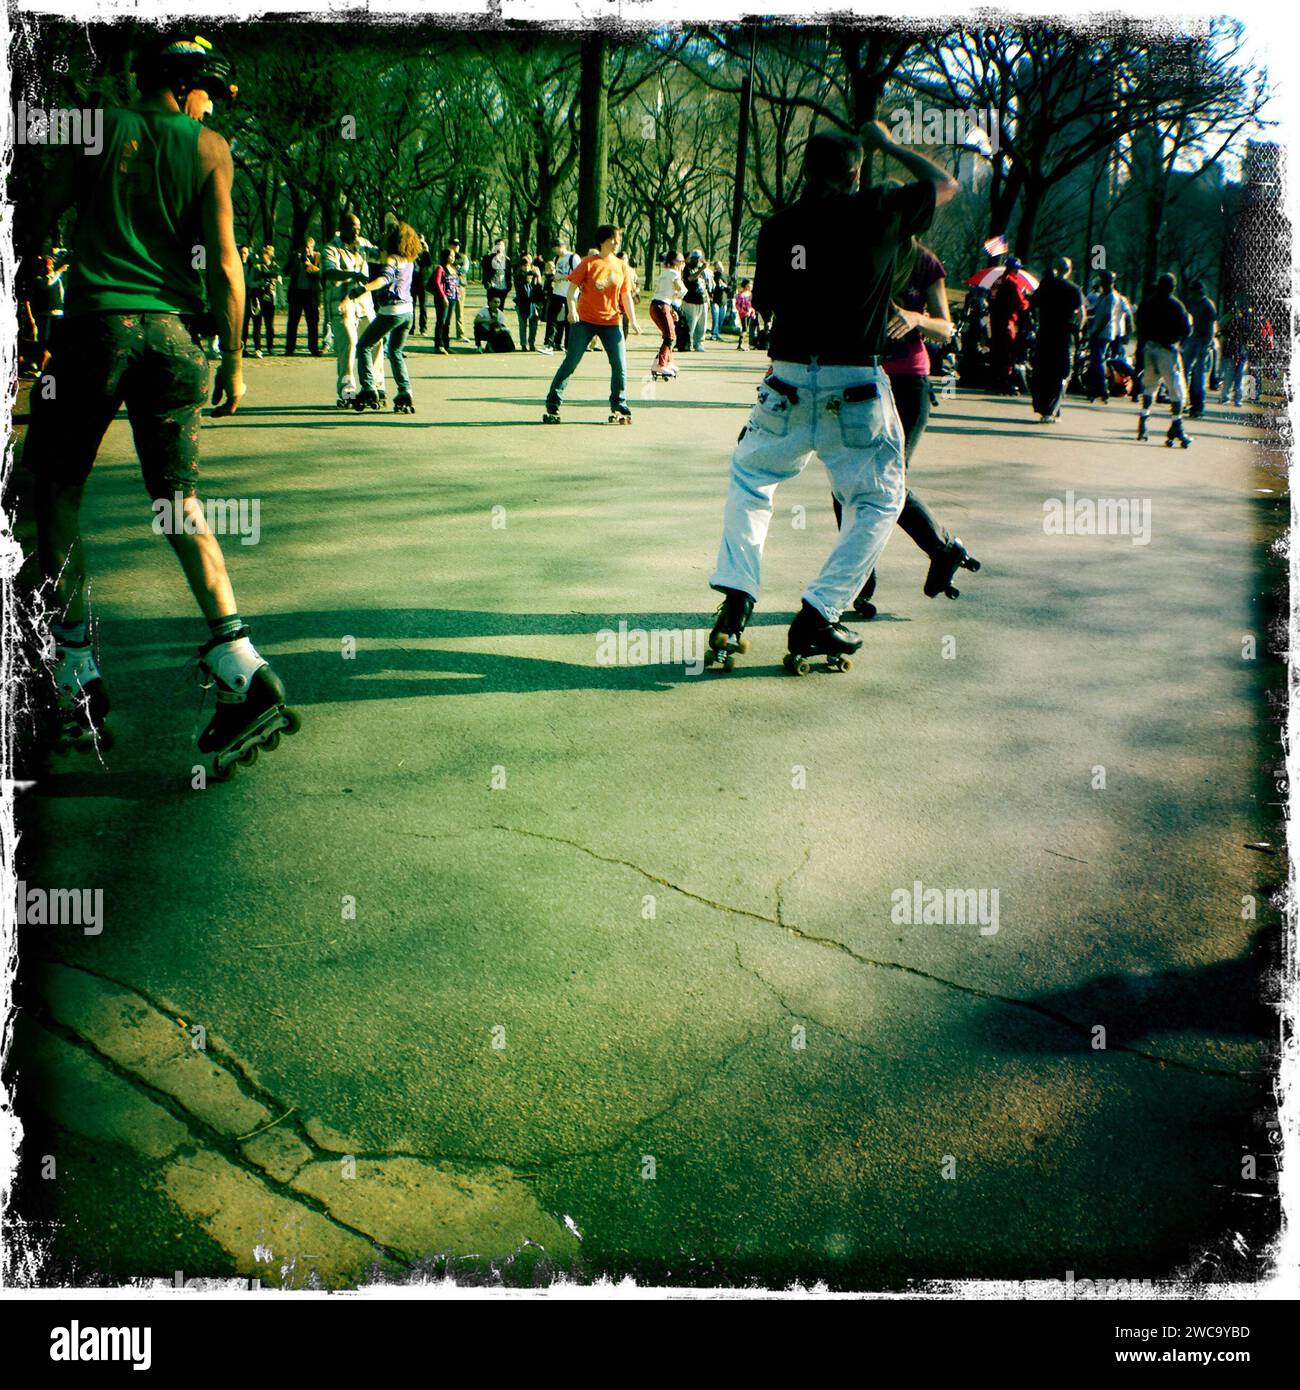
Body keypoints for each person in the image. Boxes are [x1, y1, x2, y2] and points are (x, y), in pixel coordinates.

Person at [24, 34, 298, 772]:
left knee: (53, 493)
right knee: (180, 505)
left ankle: (74, 674)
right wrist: (235, 362)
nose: (214, 105)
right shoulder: (211, 149)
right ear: (188, 87)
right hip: (173, 341)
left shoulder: (95, 127)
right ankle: (241, 664)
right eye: (211, 91)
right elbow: (227, 263)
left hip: (94, 333)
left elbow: (30, 222)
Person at [704, 122, 958, 673]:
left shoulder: (779, 227)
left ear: (804, 170)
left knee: (752, 481)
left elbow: (767, 302)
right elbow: (944, 185)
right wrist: (889, 144)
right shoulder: (882, 208)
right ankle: (821, 610)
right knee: (879, 500)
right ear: (855, 172)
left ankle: (738, 598)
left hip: (787, 380)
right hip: (856, 382)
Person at [829, 236, 977, 619]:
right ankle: (861, 579)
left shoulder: (925, 264)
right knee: (845, 481)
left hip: (908, 383)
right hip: (859, 377)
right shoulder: (861, 254)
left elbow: (945, 329)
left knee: (891, 482)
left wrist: (916, 318)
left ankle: (939, 551)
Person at [541, 224, 641, 423]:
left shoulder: (622, 266)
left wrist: (634, 321)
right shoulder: (588, 263)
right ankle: (553, 402)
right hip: (585, 321)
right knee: (571, 362)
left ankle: (619, 403)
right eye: (614, 238)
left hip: (612, 322)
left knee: (620, 365)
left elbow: (626, 296)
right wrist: (572, 310)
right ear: (604, 240)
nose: (617, 242)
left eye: (618, 238)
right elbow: (571, 291)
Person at [351, 220, 419, 412]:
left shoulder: (392, 259)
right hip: (408, 312)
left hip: (391, 311)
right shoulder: (409, 260)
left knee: (363, 345)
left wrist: (364, 288)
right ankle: (405, 390)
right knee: (396, 352)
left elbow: (385, 278)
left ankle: (368, 388)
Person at [322, 211, 385, 404]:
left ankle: (376, 386)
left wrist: (391, 240)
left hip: (364, 305)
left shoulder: (363, 244)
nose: (357, 232)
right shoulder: (331, 248)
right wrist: (353, 275)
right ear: (343, 229)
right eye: (353, 229)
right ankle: (347, 391)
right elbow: (329, 273)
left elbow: (381, 256)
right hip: (342, 305)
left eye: (359, 229)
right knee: (349, 344)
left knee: (377, 341)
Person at [1135, 272, 1192, 445]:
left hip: (1150, 347)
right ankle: (1176, 425)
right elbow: (1187, 329)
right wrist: (1179, 341)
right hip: (1167, 350)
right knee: (1176, 390)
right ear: (1172, 288)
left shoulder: (1148, 302)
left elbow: (1139, 323)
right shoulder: (1176, 305)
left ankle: (1143, 423)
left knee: (1150, 387)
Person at [1028, 255, 1085, 423]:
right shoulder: (1073, 289)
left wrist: (1037, 322)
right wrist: (1079, 330)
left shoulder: (1045, 285)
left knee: (1042, 371)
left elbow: (1033, 304)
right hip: (1062, 335)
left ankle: (1044, 406)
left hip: (1045, 332)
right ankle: (1052, 410)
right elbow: (1081, 312)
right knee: (1060, 372)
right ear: (1069, 270)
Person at [987, 257, 1031, 393]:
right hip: (1007, 320)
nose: (1018, 271)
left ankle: (993, 381)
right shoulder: (1012, 283)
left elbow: (990, 298)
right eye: (1017, 269)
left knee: (996, 350)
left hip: (994, 320)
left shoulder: (998, 280)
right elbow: (1021, 303)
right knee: (1006, 352)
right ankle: (1004, 382)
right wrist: (1027, 300)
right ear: (1013, 269)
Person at [1084, 270, 1126, 402]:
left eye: (1103, 281)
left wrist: (1097, 331)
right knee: (1095, 360)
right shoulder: (1102, 296)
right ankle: (1096, 388)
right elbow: (1094, 310)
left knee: (1098, 360)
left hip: (1105, 332)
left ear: (1110, 282)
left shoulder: (1112, 297)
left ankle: (1102, 389)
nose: (1101, 283)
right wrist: (1082, 310)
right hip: (1098, 330)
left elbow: (1107, 317)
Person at [1183, 280, 1218, 420]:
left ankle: (1199, 406)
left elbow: (1211, 329)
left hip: (1204, 340)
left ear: (1199, 291)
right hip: (1194, 338)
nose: (1190, 293)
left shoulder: (1208, 305)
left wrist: (1206, 346)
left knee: (1199, 374)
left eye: (1193, 291)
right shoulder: (1194, 303)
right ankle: (1189, 403)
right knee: (1185, 370)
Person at [649, 250, 686, 378]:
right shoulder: (674, 273)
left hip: (656, 305)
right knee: (670, 337)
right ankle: (660, 364)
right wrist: (680, 294)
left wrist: (671, 310)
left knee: (670, 335)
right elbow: (680, 288)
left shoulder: (664, 273)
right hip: (662, 306)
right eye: (681, 261)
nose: (683, 264)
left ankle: (667, 361)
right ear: (674, 262)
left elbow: (663, 293)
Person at [540, 239, 580, 354]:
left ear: (561, 246)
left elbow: (578, 273)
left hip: (570, 293)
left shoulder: (573, 258)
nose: (555, 251)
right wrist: (553, 277)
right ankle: (549, 344)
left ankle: (569, 346)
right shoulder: (556, 259)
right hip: (557, 291)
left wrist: (564, 276)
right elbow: (555, 273)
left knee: (569, 320)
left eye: (555, 248)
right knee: (551, 318)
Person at [285, 236, 321, 356]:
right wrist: (295, 261)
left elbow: (322, 274)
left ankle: (313, 348)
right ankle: (290, 348)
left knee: (313, 323)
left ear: (312, 247)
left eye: (308, 247)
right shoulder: (295, 257)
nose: (306, 250)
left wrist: (310, 265)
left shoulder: (317, 257)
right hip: (297, 293)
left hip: (311, 294)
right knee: (292, 322)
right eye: (304, 247)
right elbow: (285, 271)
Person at [1218, 305, 1251, 406]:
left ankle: (1225, 397)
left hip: (1232, 351)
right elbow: (1248, 338)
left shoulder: (1230, 322)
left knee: (1229, 375)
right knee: (1240, 376)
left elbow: (1222, 331)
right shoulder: (1246, 324)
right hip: (1241, 352)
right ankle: (1238, 399)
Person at [430, 245, 460, 354]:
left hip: (453, 298)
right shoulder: (440, 268)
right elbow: (437, 283)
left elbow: (457, 283)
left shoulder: (454, 268)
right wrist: (443, 297)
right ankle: (438, 345)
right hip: (443, 298)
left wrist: (457, 295)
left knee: (447, 323)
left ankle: (446, 345)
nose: (453, 257)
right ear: (446, 256)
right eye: (450, 256)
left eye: (453, 256)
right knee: (441, 321)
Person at [681, 251, 712, 351]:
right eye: (694, 258)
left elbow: (705, 286)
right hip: (691, 301)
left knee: (702, 325)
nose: (697, 260)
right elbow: (690, 278)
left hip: (702, 300)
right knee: (691, 324)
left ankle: (699, 343)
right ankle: (688, 343)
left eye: (698, 258)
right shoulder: (688, 268)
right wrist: (701, 270)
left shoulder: (701, 270)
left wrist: (708, 300)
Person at [513, 255, 543, 350]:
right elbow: (519, 289)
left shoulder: (534, 274)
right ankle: (523, 344)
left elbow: (539, 287)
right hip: (522, 304)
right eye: (524, 266)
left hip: (533, 303)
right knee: (523, 325)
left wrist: (538, 276)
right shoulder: (518, 276)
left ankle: (532, 343)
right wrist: (527, 281)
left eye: (528, 265)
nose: (526, 268)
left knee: (533, 325)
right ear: (521, 267)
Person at [481, 236, 510, 303]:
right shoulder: (488, 259)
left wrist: (508, 287)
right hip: (492, 287)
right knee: (491, 309)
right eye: (498, 245)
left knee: (500, 310)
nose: (500, 247)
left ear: (504, 247)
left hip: (503, 288)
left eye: (502, 245)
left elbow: (508, 275)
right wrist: (486, 283)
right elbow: (485, 272)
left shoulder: (507, 260)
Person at [709, 260, 731, 340]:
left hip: (723, 300)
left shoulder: (726, 276)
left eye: (720, 266)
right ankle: (714, 333)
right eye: (717, 267)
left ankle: (717, 333)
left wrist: (725, 286)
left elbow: (730, 289)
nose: (719, 268)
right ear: (715, 268)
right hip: (715, 300)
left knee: (721, 318)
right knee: (715, 317)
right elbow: (710, 288)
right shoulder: (713, 276)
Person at [734, 277, 756, 350]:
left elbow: (751, 304)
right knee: (744, 329)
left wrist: (752, 311)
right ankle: (740, 344)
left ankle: (741, 344)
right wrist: (743, 312)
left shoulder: (750, 294)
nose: (751, 286)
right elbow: (738, 305)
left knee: (746, 329)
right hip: (744, 314)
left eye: (751, 284)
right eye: (749, 284)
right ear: (745, 285)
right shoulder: (741, 295)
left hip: (749, 313)